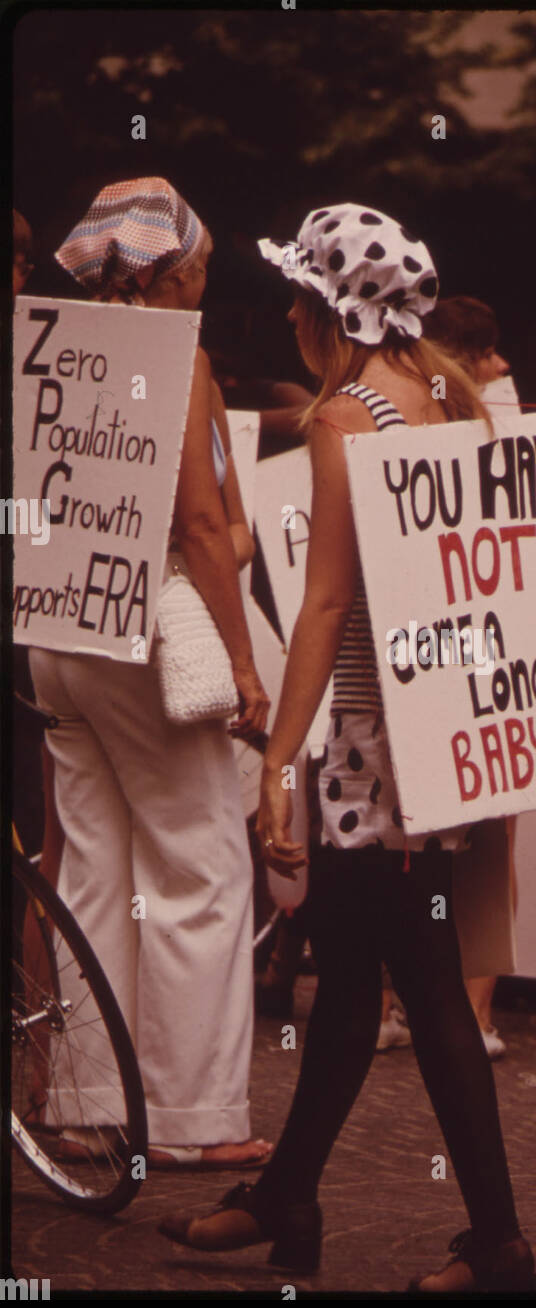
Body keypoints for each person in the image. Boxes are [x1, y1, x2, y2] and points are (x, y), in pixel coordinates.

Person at [159, 202, 536, 1292]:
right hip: (441, 746)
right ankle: (287, 1200)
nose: (285, 313)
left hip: (374, 755)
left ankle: (501, 1247)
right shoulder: (449, 402)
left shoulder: (347, 419)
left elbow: (325, 608)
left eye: (299, 295)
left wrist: (279, 762)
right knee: (358, 972)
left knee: (416, 988)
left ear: (334, 309)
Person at [29, 178, 272, 1170]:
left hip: (57, 627)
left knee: (92, 867)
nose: (205, 290)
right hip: (147, 632)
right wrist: (247, 663)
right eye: (202, 272)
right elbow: (202, 524)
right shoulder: (181, 359)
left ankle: (88, 1103)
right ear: (166, 274)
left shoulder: (52, 349)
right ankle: (186, 1114)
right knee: (198, 863)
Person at [423, 294, 515, 1058]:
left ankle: (479, 1011)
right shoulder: (415, 422)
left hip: (498, 640)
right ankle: (420, 1002)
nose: (501, 366)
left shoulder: (510, 426)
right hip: (440, 639)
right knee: (428, 824)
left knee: (491, 827)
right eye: (487, 355)